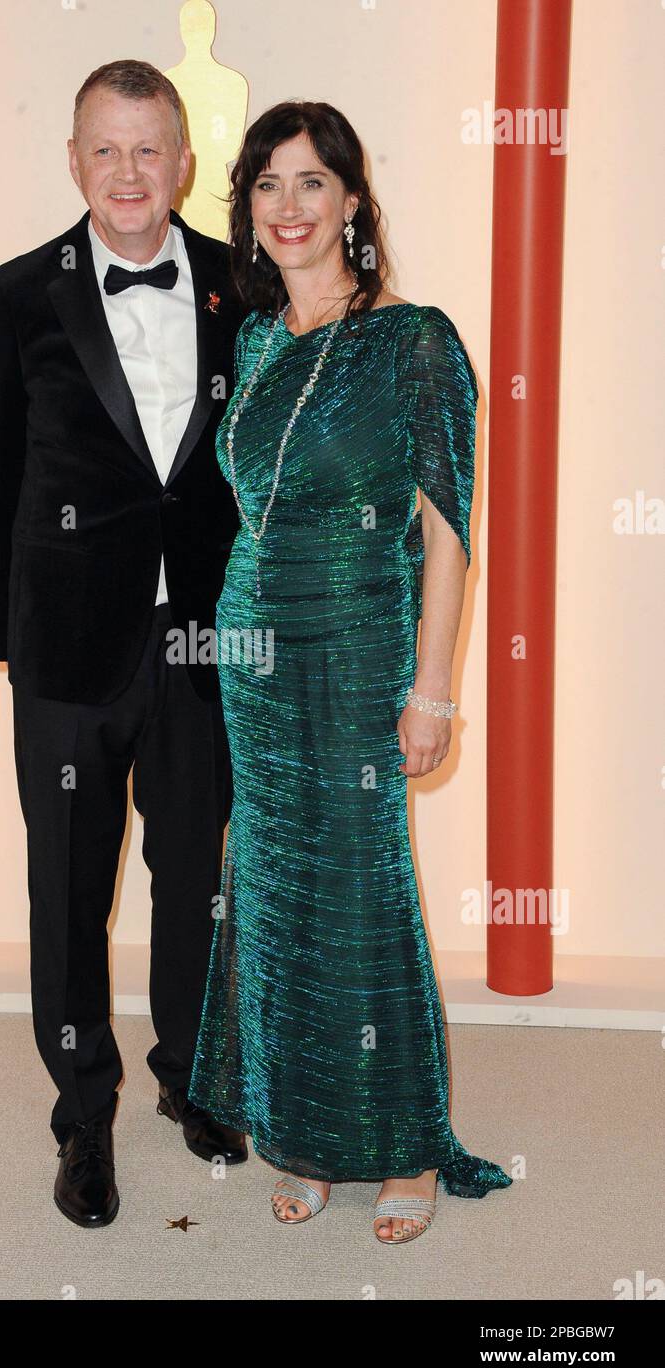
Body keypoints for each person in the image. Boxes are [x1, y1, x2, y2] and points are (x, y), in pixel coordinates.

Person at [187, 100, 513, 1243]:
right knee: (274, 895)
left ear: (351, 202)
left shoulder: (412, 337)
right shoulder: (255, 342)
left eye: (310, 183)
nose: (288, 206)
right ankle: (308, 1132)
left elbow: (446, 530)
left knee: (364, 894)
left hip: (363, 646)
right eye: (267, 185)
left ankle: (404, 1145)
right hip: (255, 652)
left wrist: (431, 690)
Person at [0, 59, 248, 1229]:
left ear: (184, 165)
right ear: (72, 160)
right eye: (105, 149)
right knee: (69, 887)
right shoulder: (19, 292)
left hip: (205, 642)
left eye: (150, 150)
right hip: (70, 652)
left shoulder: (248, 287)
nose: (128, 172)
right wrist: (5, 639)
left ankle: (191, 1069)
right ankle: (84, 1117)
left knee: (196, 875)